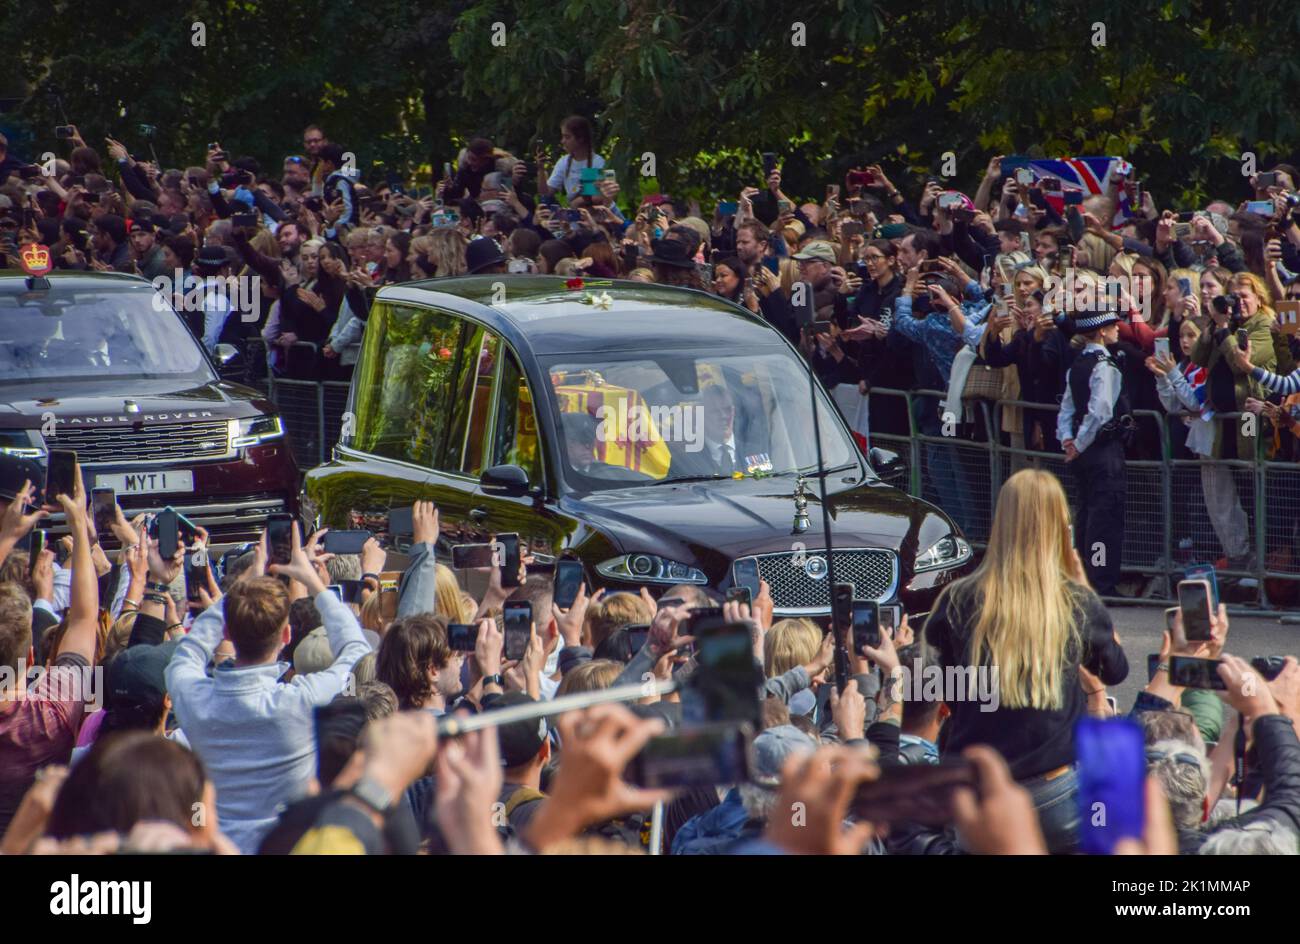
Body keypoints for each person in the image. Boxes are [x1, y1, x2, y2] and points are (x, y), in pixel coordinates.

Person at [925, 469, 1128, 853]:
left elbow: (943, 685)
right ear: (1059, 528)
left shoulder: (958, 599)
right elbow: (1115, 669)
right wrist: (1084, 585)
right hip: (1054, 789)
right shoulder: (1074, 603)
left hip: (978, 792)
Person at [164, 525, 370, 854]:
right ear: (286, 636)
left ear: (227, 632)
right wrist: (316, 585)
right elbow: (358, 654)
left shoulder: (194, 697)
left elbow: (189, 652)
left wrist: (240, 590)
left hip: (219, 842)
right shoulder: (300, 700)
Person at [1058, 309, 1130, 595]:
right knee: (1104, 520)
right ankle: (1101, 581)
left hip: (1084, 451)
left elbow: (1066, 409)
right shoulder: (1105, 365)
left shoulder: (1078, 364)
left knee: (1087, 515)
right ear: (1101, 331)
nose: (1118, 331)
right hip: (1103, 452)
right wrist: (1078, 444)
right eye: (1113, 326)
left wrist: (1067, 439)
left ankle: (1085, 576)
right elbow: (1099, 413)